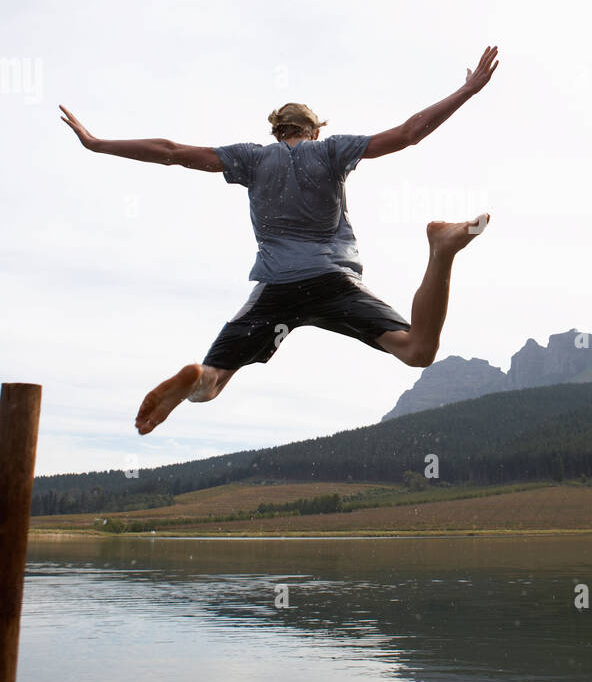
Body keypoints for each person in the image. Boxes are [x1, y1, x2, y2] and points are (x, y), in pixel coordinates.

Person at [59, 46, 499, 435]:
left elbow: (172, 151)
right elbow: (407, 134)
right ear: (315, 131)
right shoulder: (330, 152)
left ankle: (196, 376)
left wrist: (98, 144)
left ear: (277, 131)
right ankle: (441, 250)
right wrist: (467, 91)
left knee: (212, 383)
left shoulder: (250, 159)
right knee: (417, 350)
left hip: (276, 289)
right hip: (333, 280)